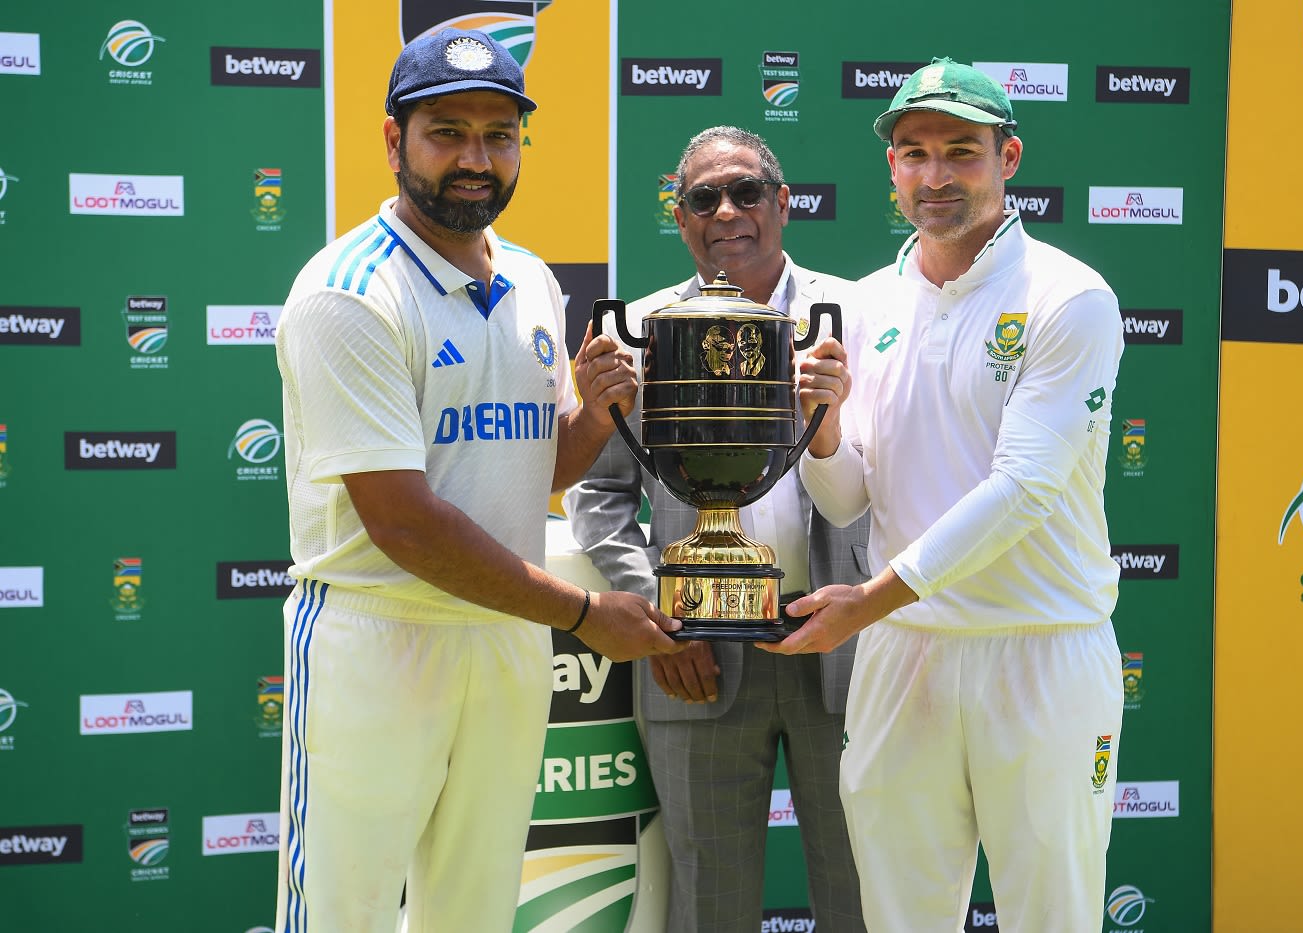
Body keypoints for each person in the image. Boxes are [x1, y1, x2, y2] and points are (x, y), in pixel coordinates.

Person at [272, 28, 681, 933]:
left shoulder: (533, 279)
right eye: (447, 132)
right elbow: (404, 524)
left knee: (477, 908)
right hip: (381, 636)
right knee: (348, 911)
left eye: (499, 135)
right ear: (393, 141)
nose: (475, 158)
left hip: (504, 641)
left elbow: (534, 466)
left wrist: (596, 414)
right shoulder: (349, 292)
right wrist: (580, 615)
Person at [769, 58, 1127, 932]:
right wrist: (820, 426)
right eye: (914, 152)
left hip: (1040, 647)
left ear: (1009, 157)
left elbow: (1024, 491)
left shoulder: (1069, 296)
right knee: (898, 917)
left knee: (1055, 915)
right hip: (905, 654)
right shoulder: (867, 301)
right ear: (890, 168)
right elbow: (850, 498)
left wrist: (868, 599)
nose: (935, 176)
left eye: (960, 152)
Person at [565, 125, 869, 932]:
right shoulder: (642, 329)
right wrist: (658, 612)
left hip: (841, 649)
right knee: (708, 907)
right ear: (680, 214)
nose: (726, 211)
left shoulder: (859, 318)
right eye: (704, 197)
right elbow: (597, 497)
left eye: (746, 192)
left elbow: (887, 478)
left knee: (863, 898)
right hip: (692, 661)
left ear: (784, 204)